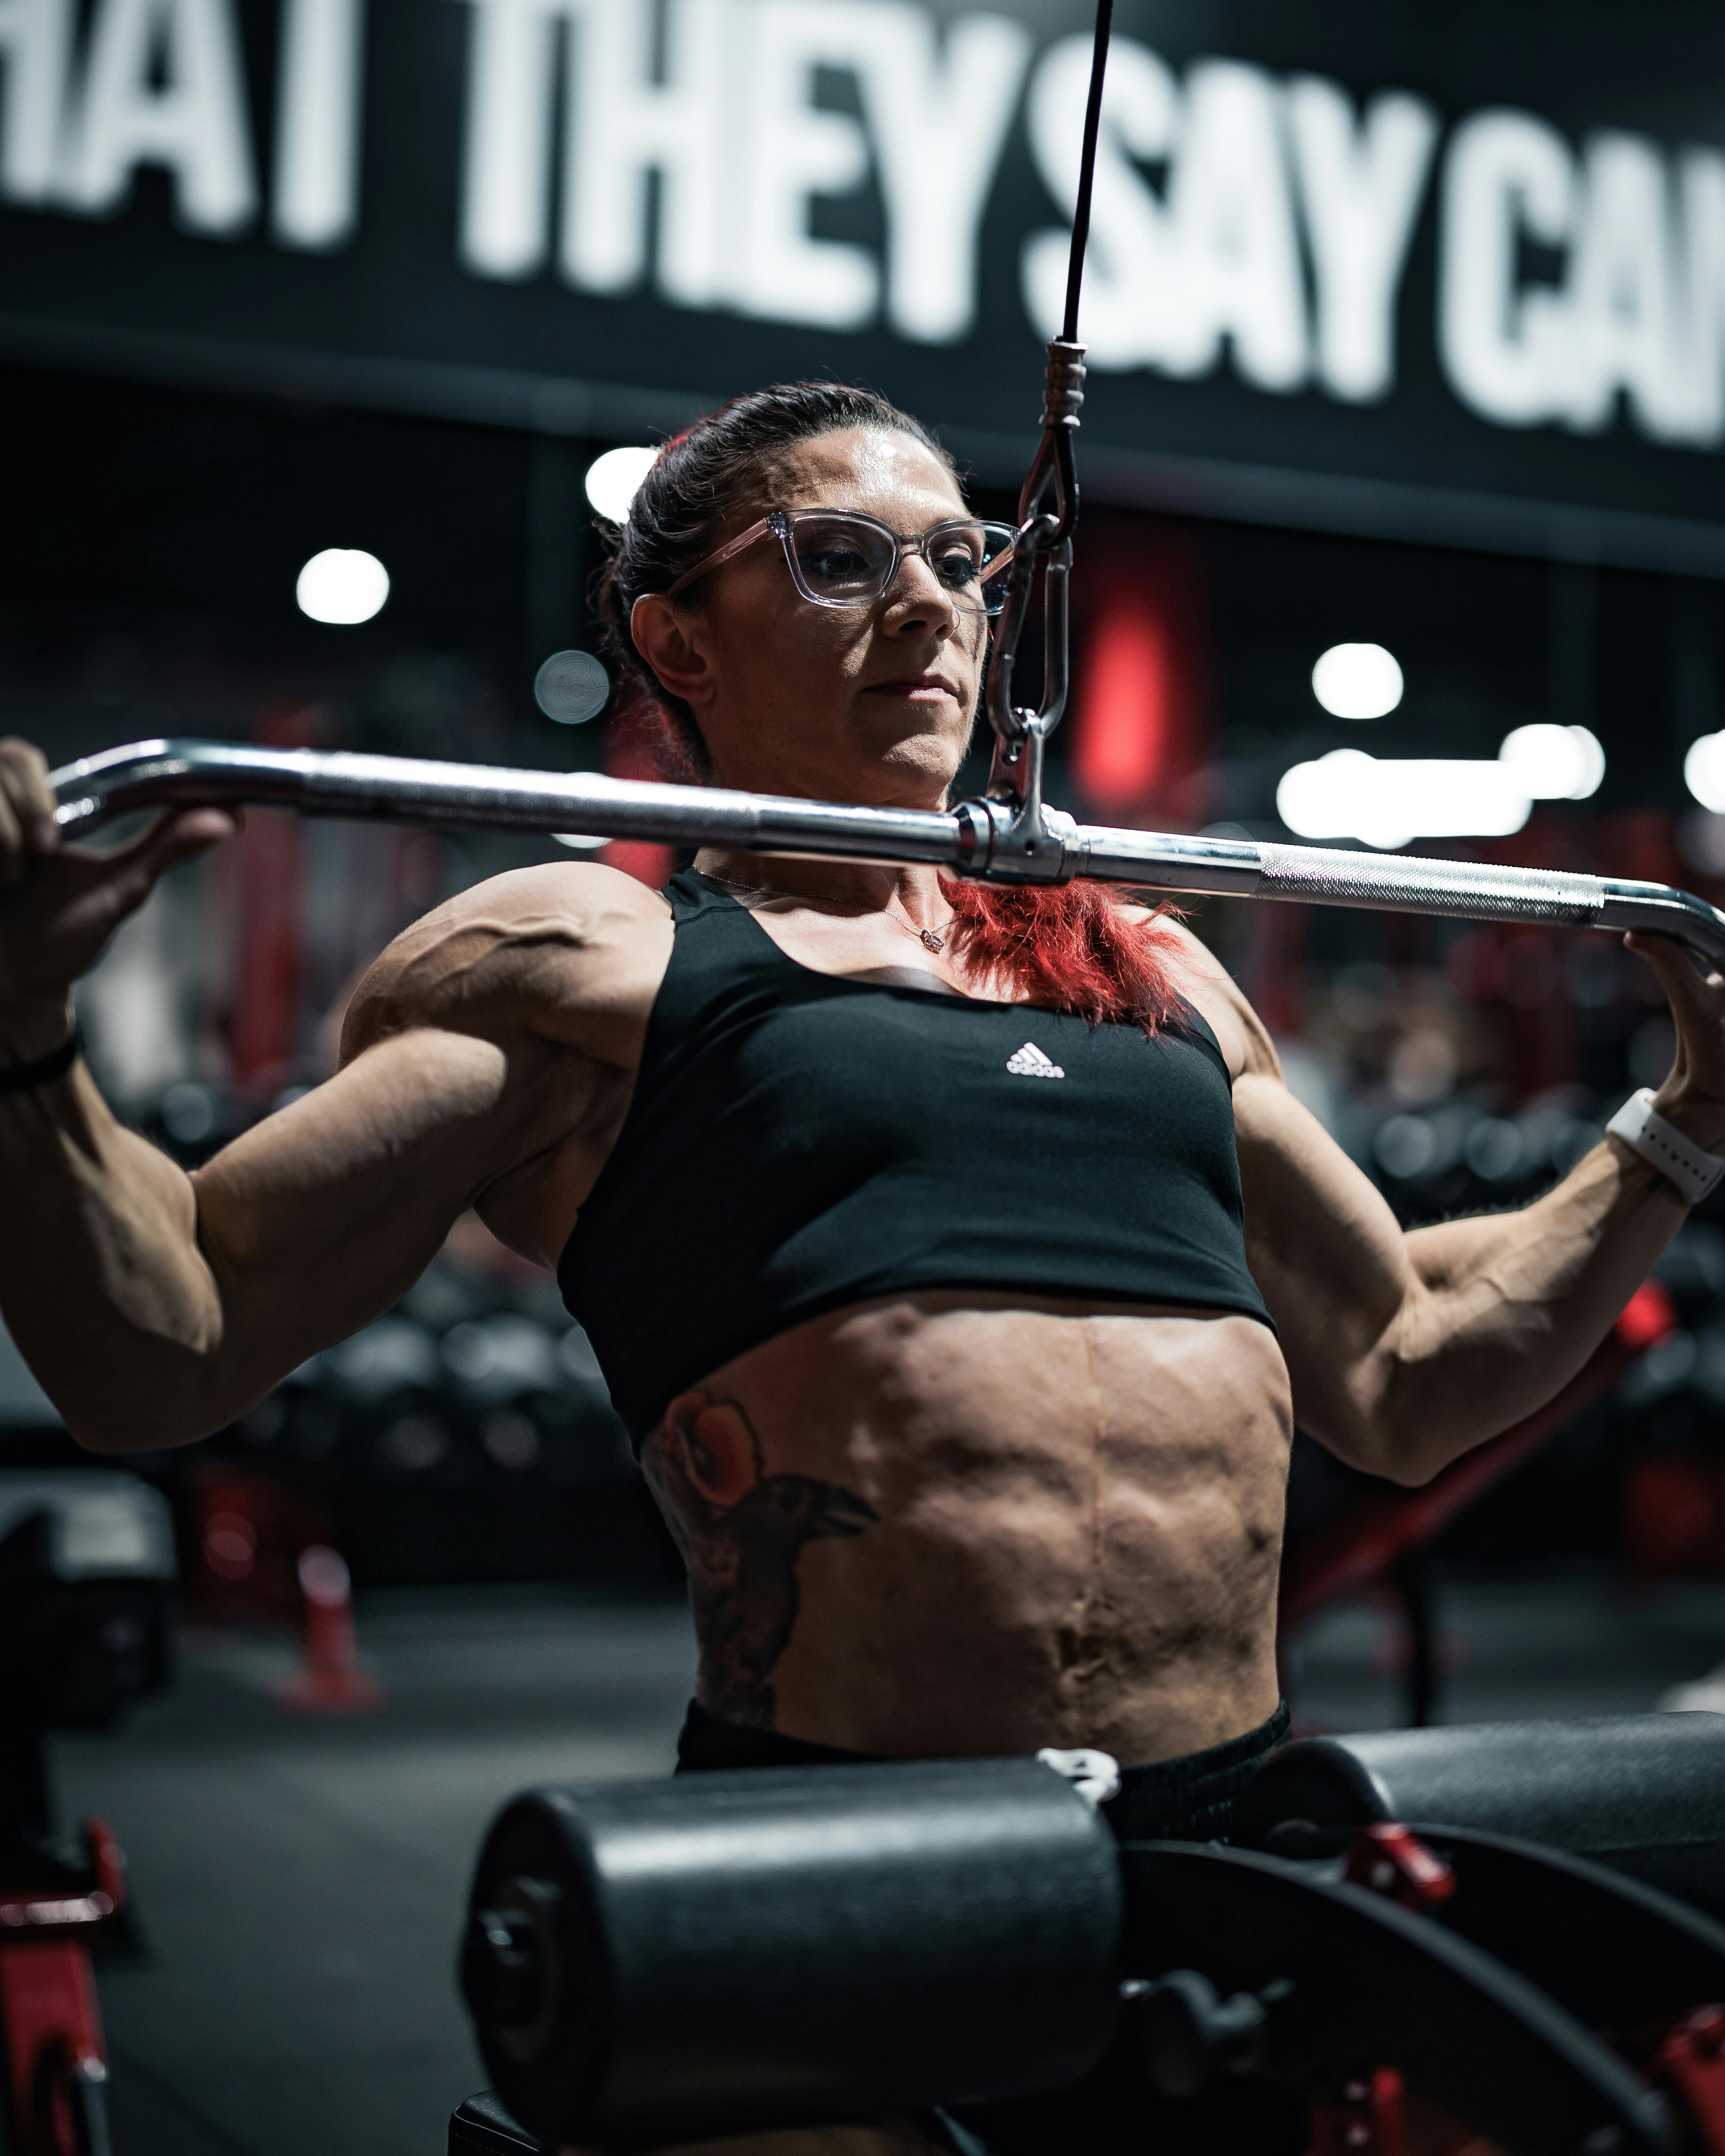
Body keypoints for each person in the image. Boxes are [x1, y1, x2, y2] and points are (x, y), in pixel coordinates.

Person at [1, 381, 1722, 2155]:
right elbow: (168, 1335)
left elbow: (1420, 1367)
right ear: (676, 638)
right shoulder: (600, 964)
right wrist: (19, 1031)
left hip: (1228, 1856)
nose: (930, 605)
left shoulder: (1155, 977)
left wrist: (1686, 1125)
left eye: (960, 560)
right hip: (848, 1864)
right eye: (837, 559)